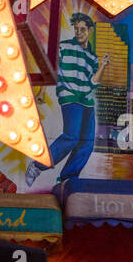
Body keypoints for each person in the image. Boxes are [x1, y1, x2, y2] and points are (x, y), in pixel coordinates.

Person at [25, 12, 110, 188]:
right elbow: (49, 66)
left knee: (87, 143)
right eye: (76, 29)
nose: (79, 33)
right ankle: (37, 165)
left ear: (90, 30)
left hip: (86, 100)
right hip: (70, 96)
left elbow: (93, 82)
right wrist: (41, 90)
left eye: (83, 29)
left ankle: (68, 177)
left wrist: (102, 66)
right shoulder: (64, 47)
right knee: (71, 137)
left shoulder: (93, 57)